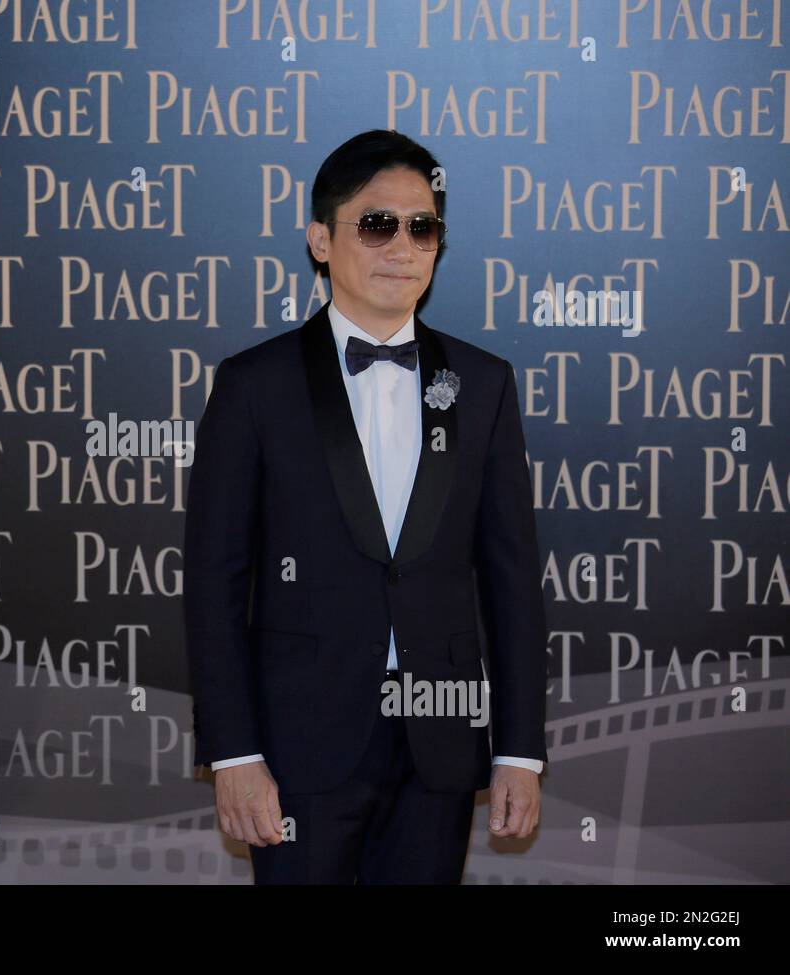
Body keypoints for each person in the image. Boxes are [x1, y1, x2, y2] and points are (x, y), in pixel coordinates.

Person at [183, 129, 547, 884]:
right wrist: (235, 752)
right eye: (377, 223)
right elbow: (213, 582)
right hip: (296, 749)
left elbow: (512, 582)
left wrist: (517, 748)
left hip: (439, 746)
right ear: (321, 239)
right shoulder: (254, 385)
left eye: (423, 227)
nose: (403, 246)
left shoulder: (483, 385)